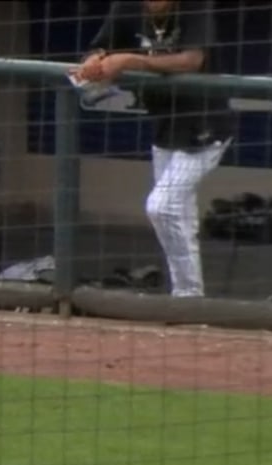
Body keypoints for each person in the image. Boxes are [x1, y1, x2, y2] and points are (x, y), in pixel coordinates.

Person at [75, 0, 232, 298]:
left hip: (206, 123)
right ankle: (188, 299)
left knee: (162, 206)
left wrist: (128, 61)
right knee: (180, 219)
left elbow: (191, 60)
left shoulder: (195, 7)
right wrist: (95, 60)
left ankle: (187, 297)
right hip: (164, 124)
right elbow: (102, 47)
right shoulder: (127, 6)